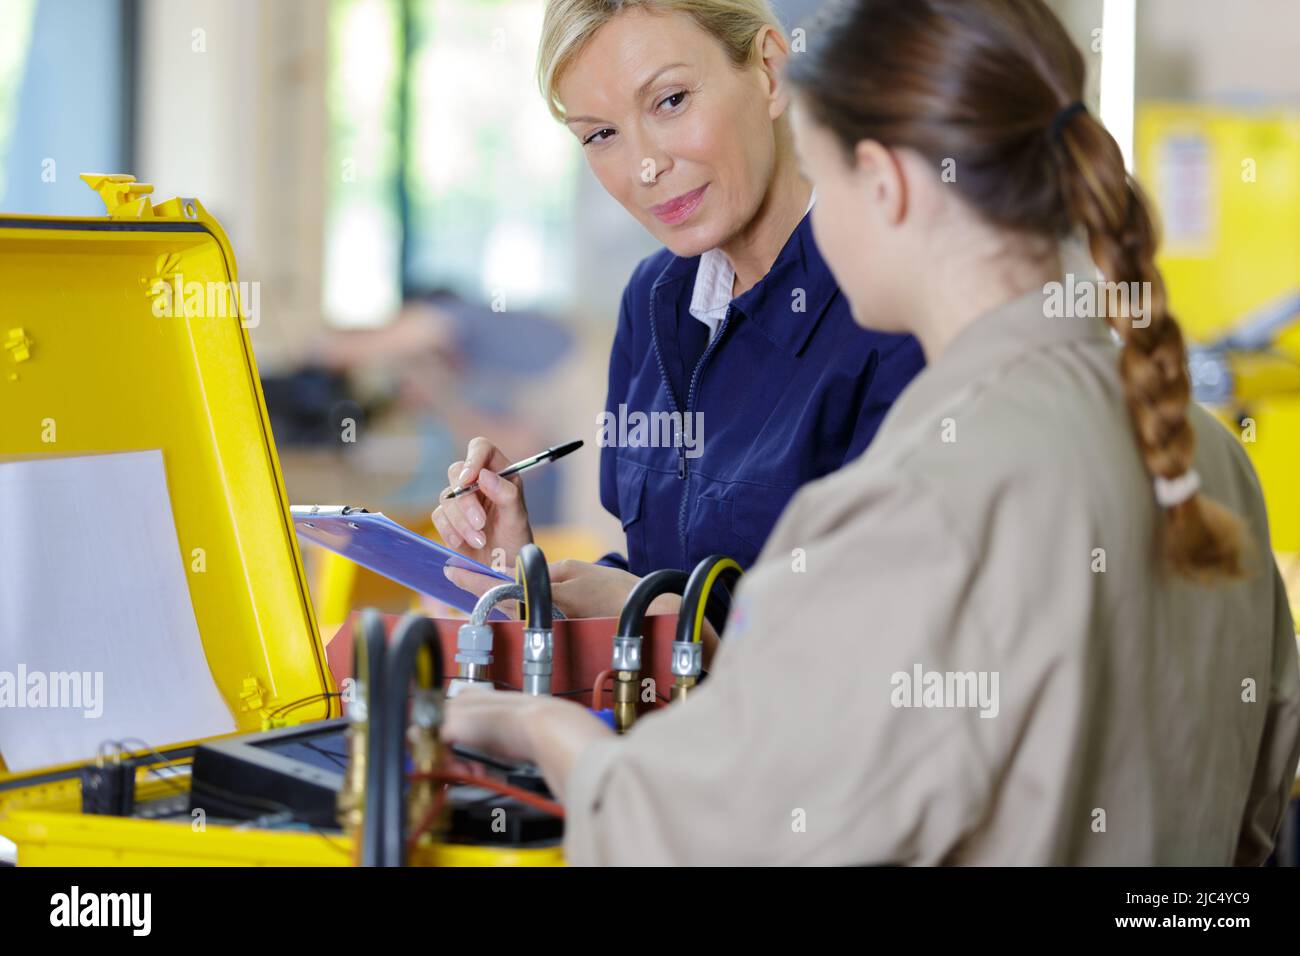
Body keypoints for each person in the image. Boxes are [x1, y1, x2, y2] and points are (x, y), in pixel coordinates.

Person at [442, 0, 1300, 865]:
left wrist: (527, 725)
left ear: (882, 186)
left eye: (827, 169)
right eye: (599, 134)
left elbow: (722, 825)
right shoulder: (1208, 458)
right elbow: (1257, 815)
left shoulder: (913, 498)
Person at [434, 0, 924, 620]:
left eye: (670, 101)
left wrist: (666, 618)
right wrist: (523, 577)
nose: (645, 167)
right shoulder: (652, 302)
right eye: (601, 134)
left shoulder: (894, 307)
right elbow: (655, 572)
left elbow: (891, 625)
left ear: (770, 71)